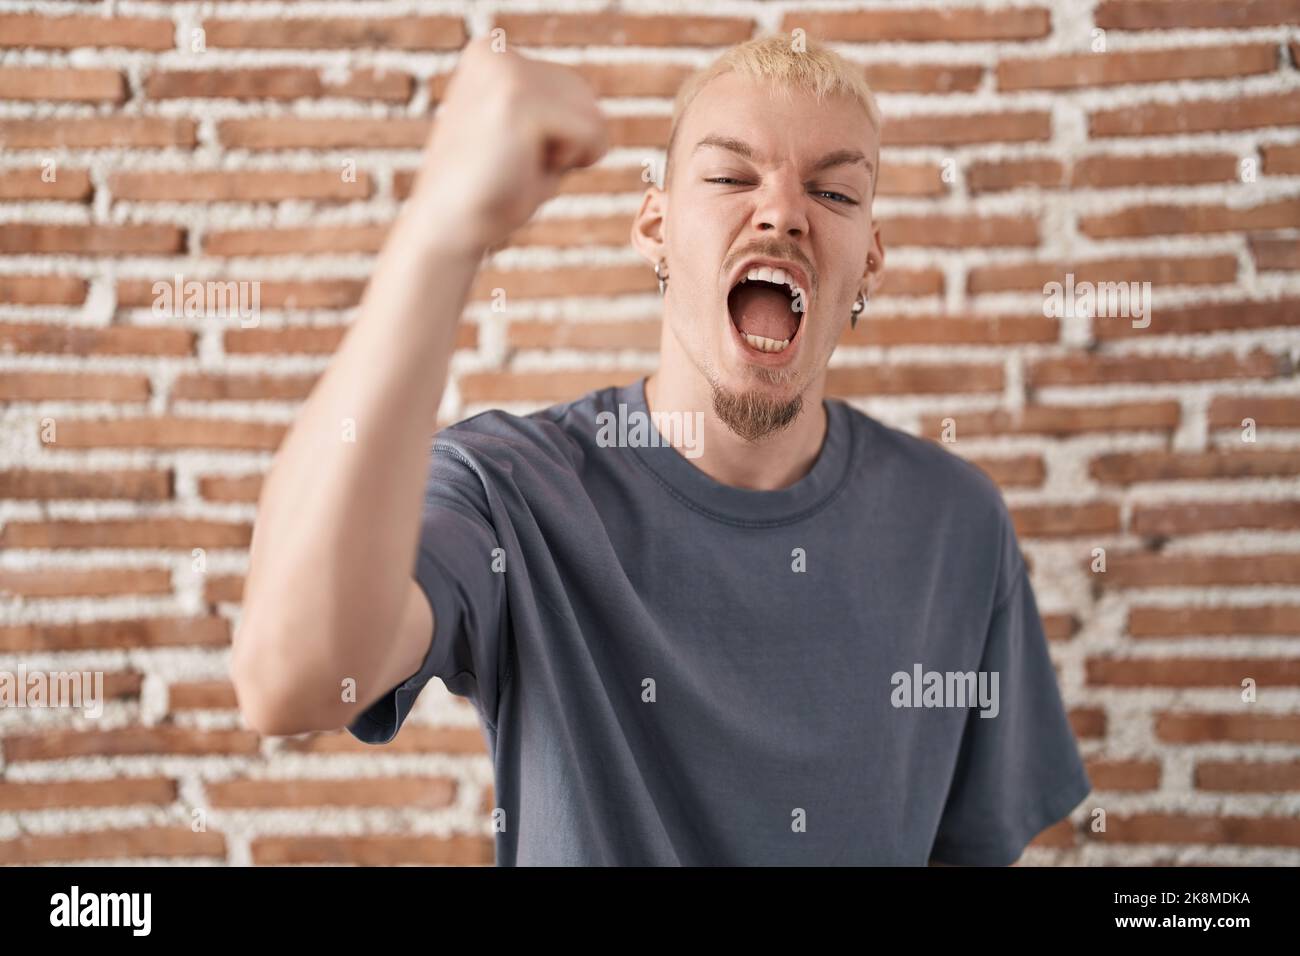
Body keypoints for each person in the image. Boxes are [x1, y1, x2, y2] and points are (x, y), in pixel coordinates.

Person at [232, 32, 1092, 866]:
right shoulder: (509, 492)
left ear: (868, 263)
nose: (784, 212)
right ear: (656, 228)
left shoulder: (955, 523)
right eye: (728, 175)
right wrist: (440, 229)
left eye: (833, 195)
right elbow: (289, 680)